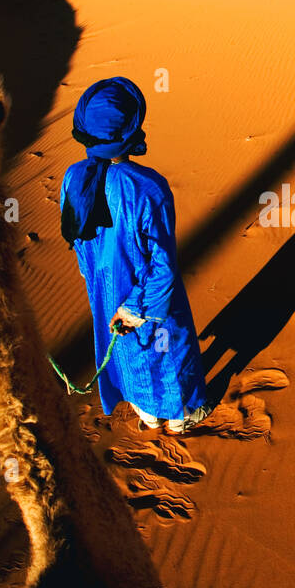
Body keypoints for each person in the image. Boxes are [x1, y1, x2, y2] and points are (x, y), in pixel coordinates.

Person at [59, 77, 208, 433]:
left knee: (126, 352)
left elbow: (79, 247)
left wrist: (105, 290)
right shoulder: (147, 186)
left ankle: (147, 414)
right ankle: (178, 418)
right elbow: (162, 264)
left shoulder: (72, 179)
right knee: (167, 350)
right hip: (148, 297)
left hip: (104, 290)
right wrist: (138, 307)